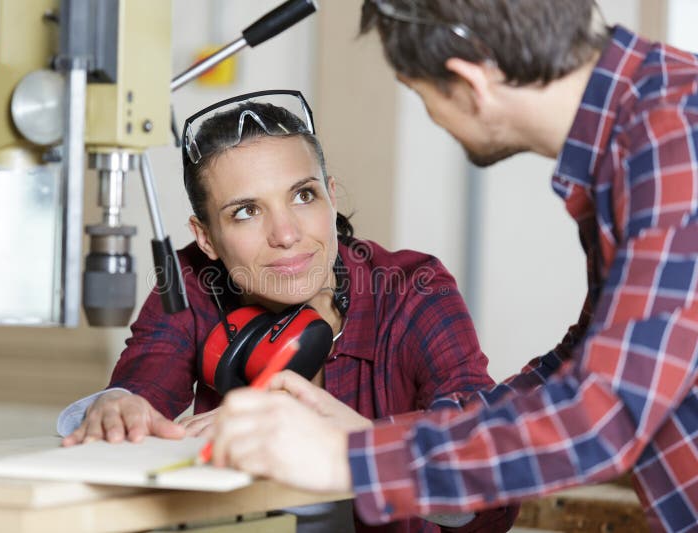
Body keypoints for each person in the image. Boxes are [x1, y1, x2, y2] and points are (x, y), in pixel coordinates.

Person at [208, 2, 698, 532]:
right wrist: (372, 440)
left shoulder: (675, 149)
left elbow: (605, 413)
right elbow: (580, 365)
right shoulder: (647, 126)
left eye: (422, 95)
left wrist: (350, 461)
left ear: (470, 84)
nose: (433, 117)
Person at [57, 90, 517, 533]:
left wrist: (353, 441)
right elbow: (141, 387)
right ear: (206, 238)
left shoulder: (413, 289)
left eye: (303, 195)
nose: (286, 234)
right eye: (246, 211)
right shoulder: (191, 281)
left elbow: (489, 486)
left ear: (331, 198)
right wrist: (119, 406)